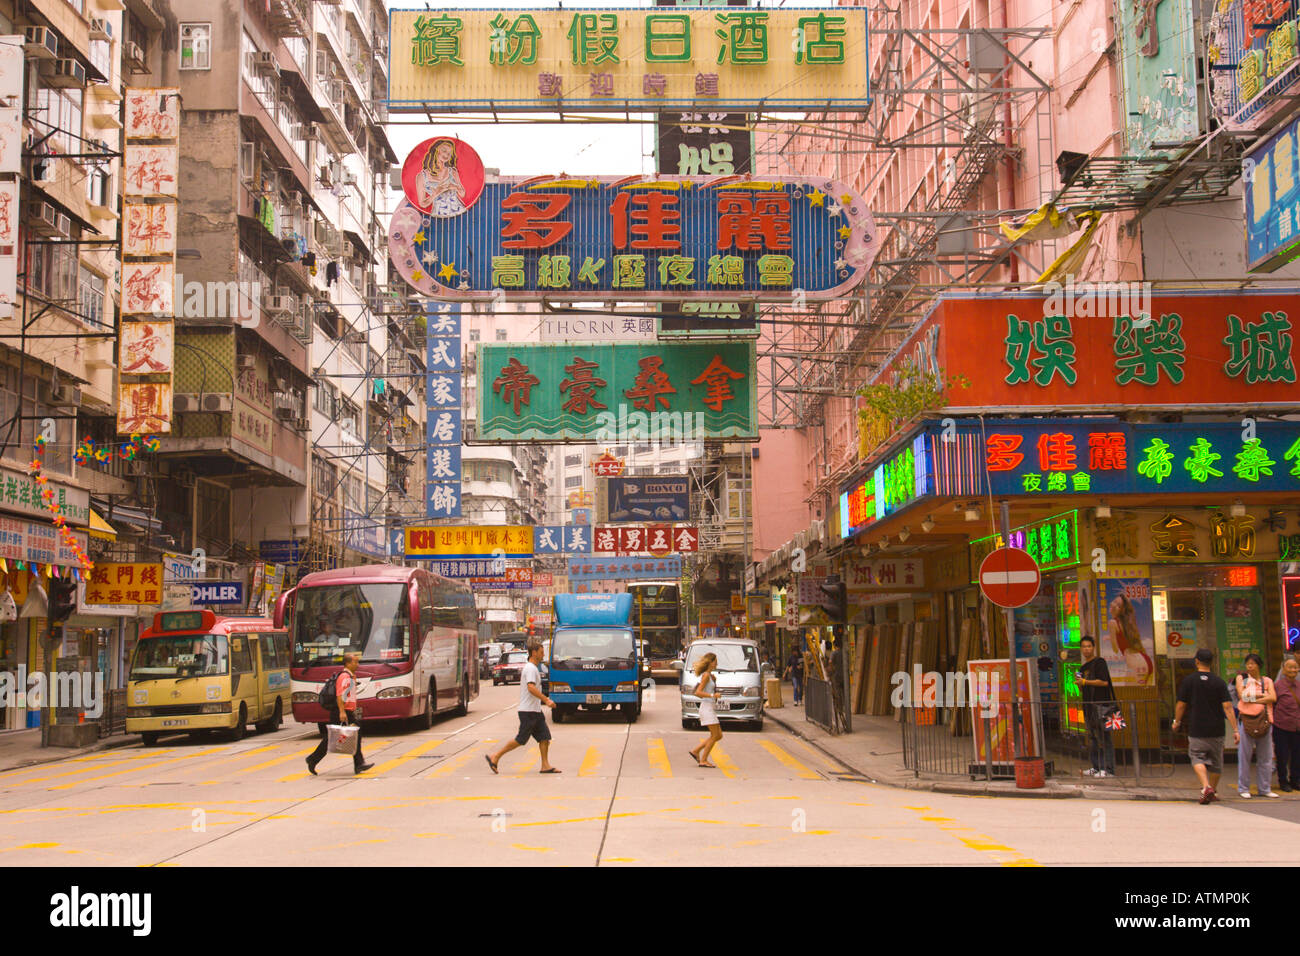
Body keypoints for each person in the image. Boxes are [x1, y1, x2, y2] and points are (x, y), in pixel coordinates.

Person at [1172, 647, 1239, 804]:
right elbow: (1228, 707)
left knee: (1197, 757)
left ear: (1196, 661)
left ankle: (1206, 786)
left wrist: (1177, 722)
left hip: (1197, 727)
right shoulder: (1219, 682)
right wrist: (1235, 729)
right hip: (1217, 728)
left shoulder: (1189, 681)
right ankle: (1212, 791)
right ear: (1212, 662)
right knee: (1217, 762)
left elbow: (1181, 705)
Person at [485, 639, 559, 774]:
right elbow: (531, 687)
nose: (543, 655)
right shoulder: (530, 668)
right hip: (528, 711)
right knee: (521, 740)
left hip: (534, 710)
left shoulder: (533, 668)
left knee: (544, 737)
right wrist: (546, 700)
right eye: (541, 653)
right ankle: (495, 756)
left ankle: (545, 765)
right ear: (534, 653)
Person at [305, 652, 373, 776]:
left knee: (349, 735)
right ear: (348, 663)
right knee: (335, 737)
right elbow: (339, 695)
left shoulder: (350, 676)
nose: (357, 664)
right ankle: (313, 759)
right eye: (355, 662)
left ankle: (358, 764)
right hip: (342, 711)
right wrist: (342, 711)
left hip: (346, 711)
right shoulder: (345, 676)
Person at [1235, 653, 1278, 799]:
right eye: (1247, 663)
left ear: (1259, 665)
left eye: (1252, 663)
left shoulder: (1267, 681)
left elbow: (1273, 697)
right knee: (1244, 756)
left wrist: (1253, 698)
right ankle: (1243, 788)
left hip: (1265, 720)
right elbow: (1242, 697)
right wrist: (1262, 697)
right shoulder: (1242, 679)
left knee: (1266, 757)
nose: (1250, 666)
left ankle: (1265, 788)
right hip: (1246, 720)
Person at [1076, 635, 1116, 777]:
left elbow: (1104, 682)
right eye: (1084, 646)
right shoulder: (1082, 667)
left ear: (1093, 648)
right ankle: (1096, 767)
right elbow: (1083, 688)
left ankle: (1109, 769)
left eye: (1089, 646)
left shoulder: (1100, 662)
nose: (1086, 649)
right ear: (1081, 649)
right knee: (1092, 738)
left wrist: (1085, 682)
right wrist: (1080, 684)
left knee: (1104, 738)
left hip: (1101, 705)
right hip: (1088, 707)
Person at [1106, 593, 1153, 685]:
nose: (1114, 605)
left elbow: (1115, 649)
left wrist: (1112, 637)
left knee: (1131, 697)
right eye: (1115, 601)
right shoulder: (1128, 625)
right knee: (1147, 696)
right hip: (1146, 660)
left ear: (1122, 610)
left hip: (1135, 664)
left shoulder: (1112, 623)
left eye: (1118, 605)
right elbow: (1123, 639)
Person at [689, 652, 723, 768]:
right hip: (706, 708)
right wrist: (713, 695)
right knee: (714, 735)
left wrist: (714, 681)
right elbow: (698, 692)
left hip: (709, 707)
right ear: (710, 662)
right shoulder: (706, 676)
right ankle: (703, 760)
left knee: (718, 735)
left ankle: (696, 750)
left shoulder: (709, 675)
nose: (717, 663)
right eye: (715, 661)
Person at [416, 138, 466, 217]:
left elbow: (463, 193)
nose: (446, 155)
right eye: (444, 150)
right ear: (436, 150)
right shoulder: (422, 176)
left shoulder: (452, 171)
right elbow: (422, 204)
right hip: (438, 216)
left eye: (449, 153)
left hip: (460, 213)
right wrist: (435, 194)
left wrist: (455, 187)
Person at [1273, 658, 1300, 792]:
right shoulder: (1277, 686)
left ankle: (1295, 780)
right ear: (1283, 670)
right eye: (1290, 667)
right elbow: (1272, 704)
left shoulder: (1299, 685)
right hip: (1281, 726)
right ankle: (1283, 781)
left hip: (1297, 726)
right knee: (1282, 756)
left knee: (1297, 755)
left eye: (1295, 667)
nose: (1293, 670)